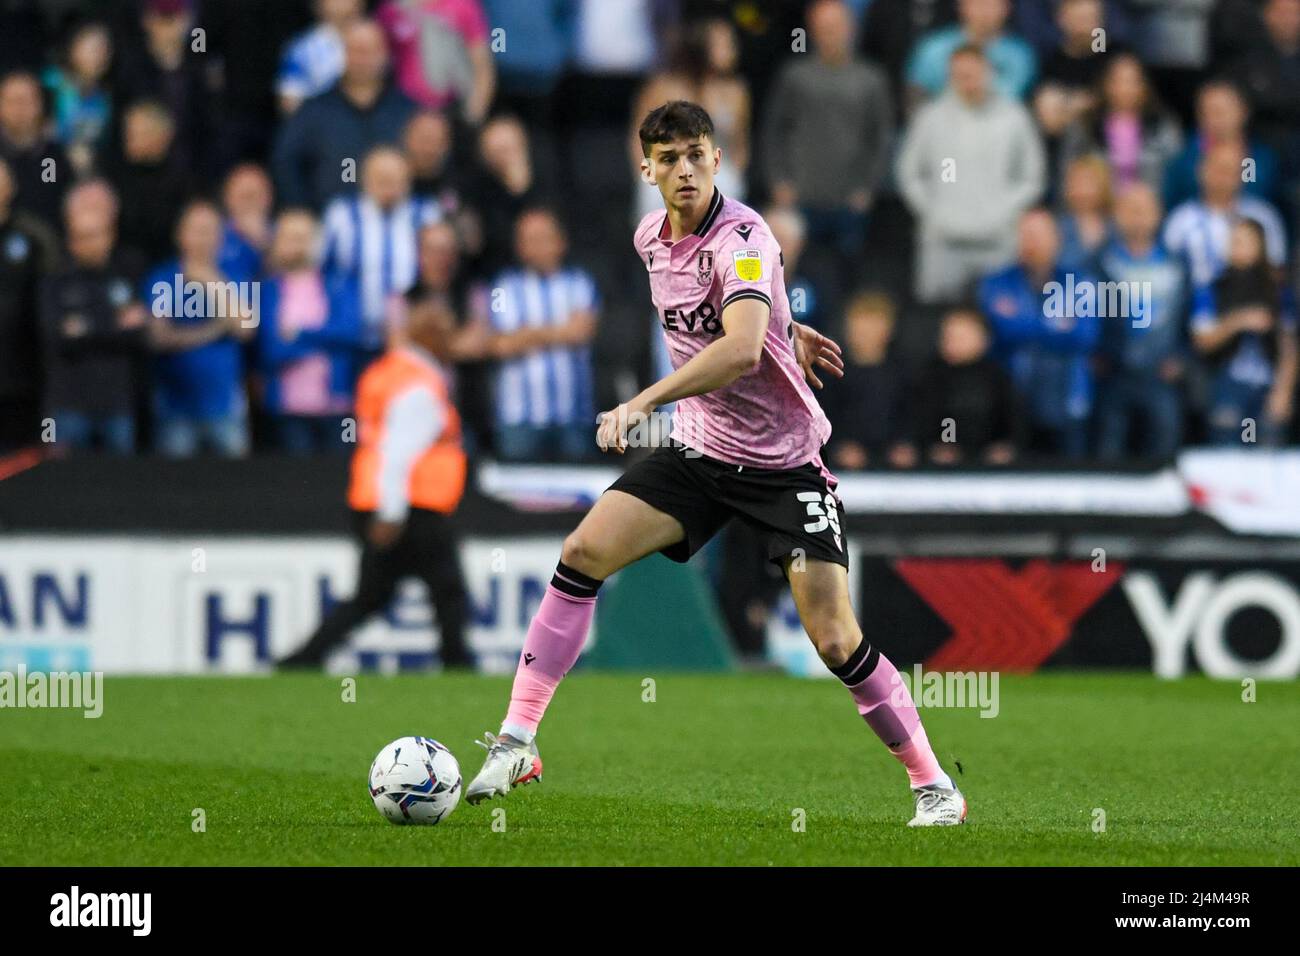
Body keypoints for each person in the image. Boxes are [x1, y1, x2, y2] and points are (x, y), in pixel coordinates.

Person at [462, 101, 968, 827]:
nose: (685, 169)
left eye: (697, 154)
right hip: (701, 451)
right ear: (647, 170)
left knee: (834, 639)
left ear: (717, 159)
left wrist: (645, 402)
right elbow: (737, 321)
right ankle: (517, 738)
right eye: (669, 158)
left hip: (785, 465)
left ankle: (933, 786)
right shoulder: (649, 239)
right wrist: (785, 327)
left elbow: (735, 348)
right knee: (583, 551)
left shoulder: (747, 237)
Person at [276, 294, 472, 670]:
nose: (453, 341)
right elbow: (398, 453)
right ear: (427, 336)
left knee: (371, 596)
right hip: (411, 506)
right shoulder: (420, 385)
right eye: (446, 332)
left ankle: (301, 661)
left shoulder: (387, 372)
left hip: (378, 499)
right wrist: (393, 512)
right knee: (448, 591)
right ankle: (459, 668)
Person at [895, 44, 1046, 304]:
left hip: (997, 243)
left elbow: (1032, 177)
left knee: (998, 315)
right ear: (950, 76)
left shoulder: (1013, 117)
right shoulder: (930, 118)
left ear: (988, 73)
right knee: (937, 318)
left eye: (973, 74)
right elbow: (909, 173)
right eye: (960, 75)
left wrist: (1003, 211)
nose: (968, 81)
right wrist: (933, 211)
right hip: (942, 243)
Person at [978, 208, 1100, 459]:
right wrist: (1055, 326)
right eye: (1026, 234)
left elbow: (1084, 336)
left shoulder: (1081, 282)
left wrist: (1024, 323)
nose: (1031, 242)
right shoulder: (996, 283)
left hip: (1068, 400)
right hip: (1013, 402)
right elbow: (1002, 334)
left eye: (1039, 235)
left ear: (1057, 239)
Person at [40, 183, 148, 455]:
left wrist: (85, 327)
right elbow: (57, 337)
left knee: (120, 489)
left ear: (110, 235)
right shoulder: (55, 280)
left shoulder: (128, 273)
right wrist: (114, 326)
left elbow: (138, 335)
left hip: (117, 403)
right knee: (61, 487)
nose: (90, 243)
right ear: (71, 240)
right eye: (82, 236)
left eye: (97, 235)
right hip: (68, 405)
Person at [486, 207, 599, 462]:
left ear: (560, 242)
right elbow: (499, 345)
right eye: (529, 240)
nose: (536, 247)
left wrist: (526, 334)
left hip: (572, 416)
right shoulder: (501, 288)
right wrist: (560, 331)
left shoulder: (581, 283)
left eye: (543, 238)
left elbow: (582, 332)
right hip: (519, 418)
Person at [145, 199, 256, 457]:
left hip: (225, 405)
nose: (202, 239)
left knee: (236, 487)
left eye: (210, 231)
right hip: (175, 406)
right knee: (175, 488)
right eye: (196, 230)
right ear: (180, 234)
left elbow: (245, 328)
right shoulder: (163, 277)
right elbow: (158, 337)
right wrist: (213, 331)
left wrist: (208, 279)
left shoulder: (235, 275)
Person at [1094, 183, 1190, 459]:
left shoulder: (1177, 265)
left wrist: (1181, 357)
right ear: (1116, 214)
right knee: (1108, 447)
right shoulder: (1100, 262)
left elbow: (1189, 316)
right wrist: (1099, 355)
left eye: (1144, 209)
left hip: (1161, 373)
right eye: (1130, 209)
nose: (1137, 216)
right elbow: (1087, 312)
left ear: (1158, 214)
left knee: (1166, 438)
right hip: (1114, 373)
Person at [257, 208, 362, 454]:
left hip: (338, 405)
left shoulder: (338, 283)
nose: (297, 246)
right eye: (290, 237)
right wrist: (324, 341)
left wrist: (300, 333)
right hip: (288, 407)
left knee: (341, 475)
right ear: (277, 242)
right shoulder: (267, 290)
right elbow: (270, 349)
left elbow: (351, 333)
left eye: (304, 237)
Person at [1191, 217, 1297, 446]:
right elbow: (1202, 341)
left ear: (1261, 245)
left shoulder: (1277, 291)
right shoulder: (1213, 288)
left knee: (1268, 459)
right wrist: (1238, 321)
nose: (1238, 246)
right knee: (1226, 455)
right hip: (1226, 385)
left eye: (1246, 241)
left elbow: (1289, 346)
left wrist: (1283, 391)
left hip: (1266, 387)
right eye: (1234, 241)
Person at [905, 305, 1023, 466]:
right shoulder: (931, 375)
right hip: (940, 464)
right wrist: (946, 443)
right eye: (948, 336)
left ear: (983, 340)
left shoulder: (997, 376)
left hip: (989, 463)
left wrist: (1004, 445)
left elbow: (1012, 419)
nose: (952, 342)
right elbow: (939, 415)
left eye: (961, 336)